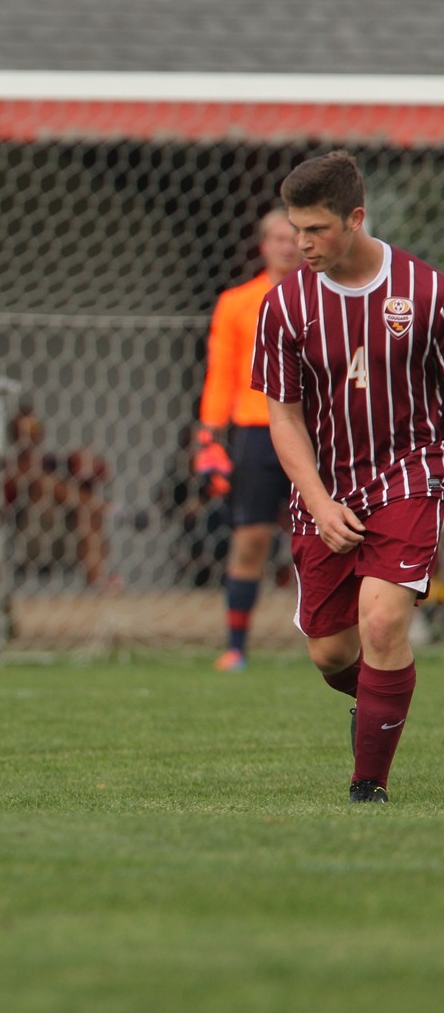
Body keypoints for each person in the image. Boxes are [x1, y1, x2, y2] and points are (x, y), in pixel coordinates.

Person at [253, 149, 444, 804]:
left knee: (384, 622)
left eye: (315, 230)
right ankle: (375, 703)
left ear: (355, 218)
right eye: (294, 229)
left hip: (408, 474)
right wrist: (318, 500)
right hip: (326, 489)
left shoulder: (424, 291)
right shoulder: (284, 307)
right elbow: (283, 416)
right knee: (332, 652)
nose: (300, 244)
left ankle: (370, 783)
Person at [197, 210, 301, 671]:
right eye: (277, 238)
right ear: (263, 245)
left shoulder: (322, 298)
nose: (286, 245)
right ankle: (236, 646)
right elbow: (220, 375)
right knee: (252, 537)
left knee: (330, 536)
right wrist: (207, 436)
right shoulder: (237, 303)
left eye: (293, 237)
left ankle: (347, 641)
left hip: (313, 430)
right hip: (257, 430)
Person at [2, 407, 111, 587]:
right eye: (21, 432)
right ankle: (113, 510)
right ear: (13, 436)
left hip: (66, 538)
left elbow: (103, 472)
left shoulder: (55, 463)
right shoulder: (10, 469)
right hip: (31, 538)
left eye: (33, 430)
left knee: (88, 513)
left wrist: (86, 461)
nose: (28, 438)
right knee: (38, 480)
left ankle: (98, 584)